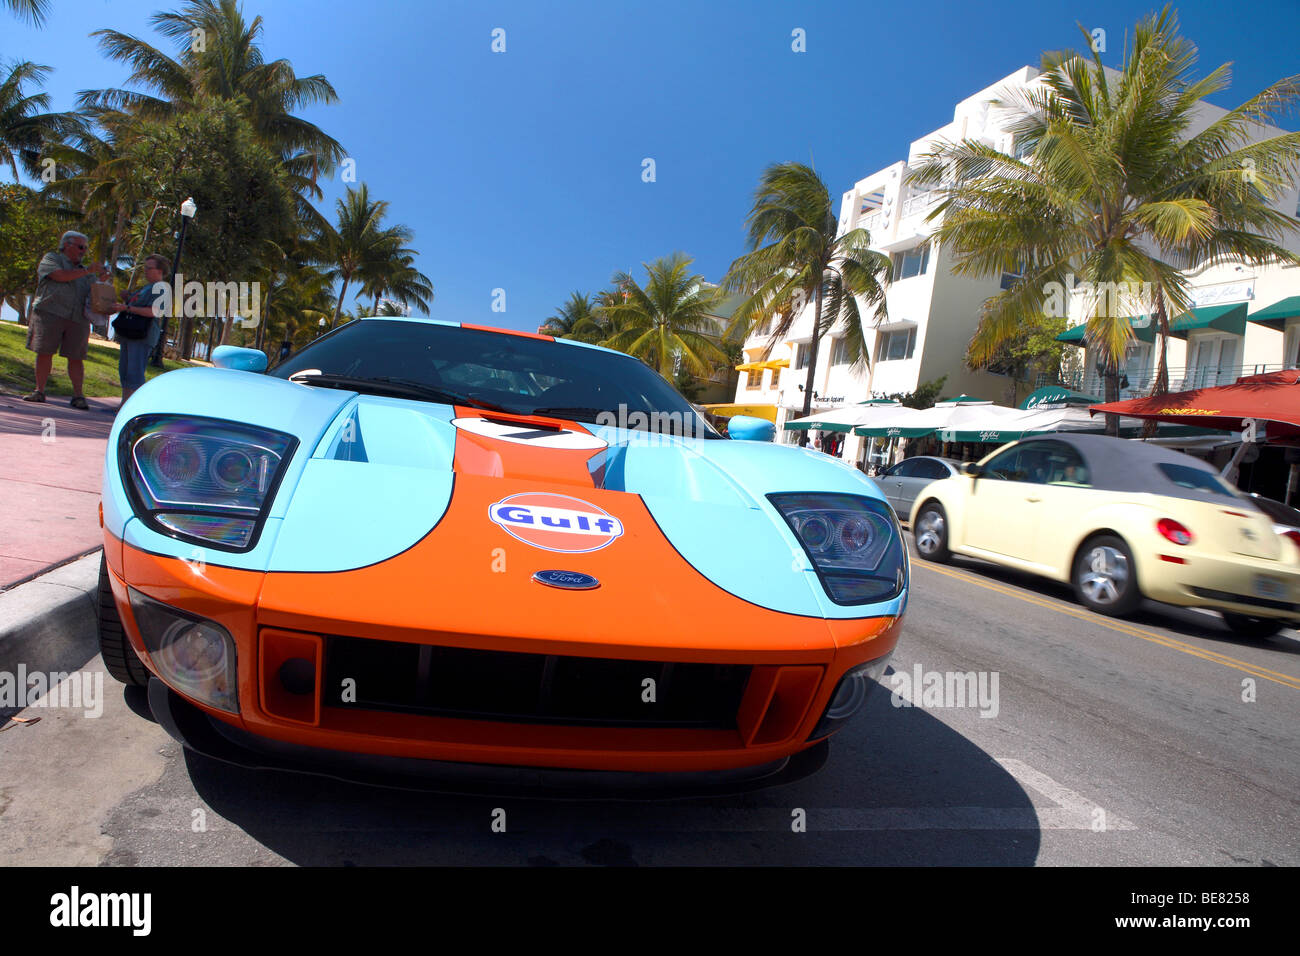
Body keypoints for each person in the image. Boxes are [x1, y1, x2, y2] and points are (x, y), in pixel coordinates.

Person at [22, 231, 108, 409]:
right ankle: (39, 391)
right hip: (50, 312)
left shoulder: (87, 271)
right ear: (67, 245)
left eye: (85, 248)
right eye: (80, 247)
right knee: (44, 352)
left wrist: (102, 280)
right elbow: (59, 276)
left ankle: (78, 396)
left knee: (76, 357)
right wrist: (88, 271)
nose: (83, 251)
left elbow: (94, 292)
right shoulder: (52, 259)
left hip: (78, 318)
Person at [111, 254, 170, 404]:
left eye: (149, 268)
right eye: (145, 267)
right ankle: (124, 405)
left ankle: (132, 407)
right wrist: (128, 298)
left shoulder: (161, 288)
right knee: (125, 371)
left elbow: (153, 311)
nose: (145, 271)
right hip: (131, 333)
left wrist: (127, 307)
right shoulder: (147, 288)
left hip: (143, 335)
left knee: (135, 373)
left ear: (160, 270)